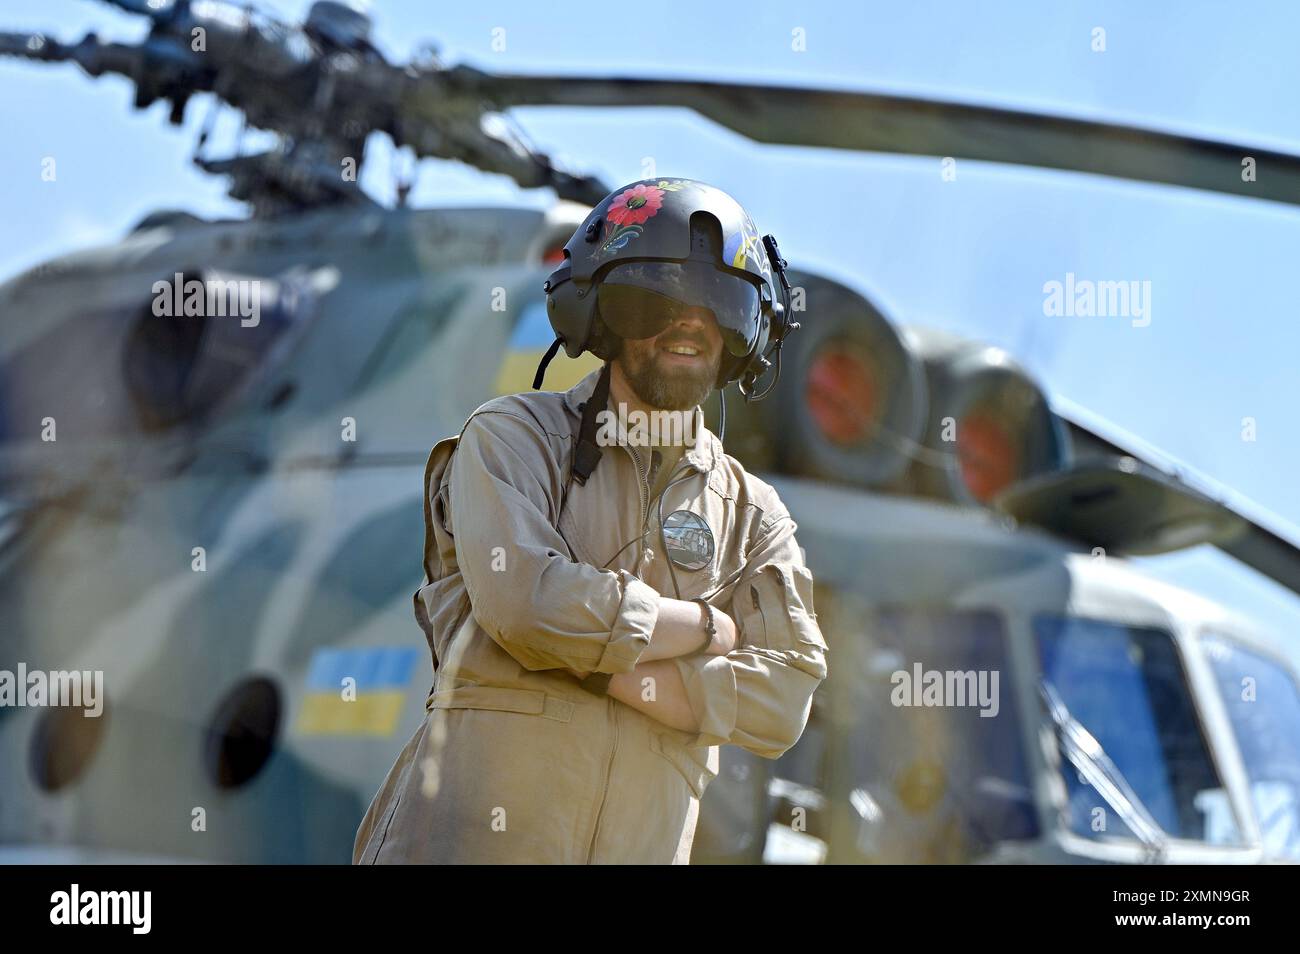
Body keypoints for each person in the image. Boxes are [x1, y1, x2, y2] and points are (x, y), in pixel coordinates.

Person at [353, 177, 828, 864]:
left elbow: (785, 695)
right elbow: (522, 600)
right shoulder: (513, 438)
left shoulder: (752, 515)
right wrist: (703, 629)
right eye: (655, 300)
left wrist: (598, 671)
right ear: (598, 316)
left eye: (719, 305)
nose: (690, 323)